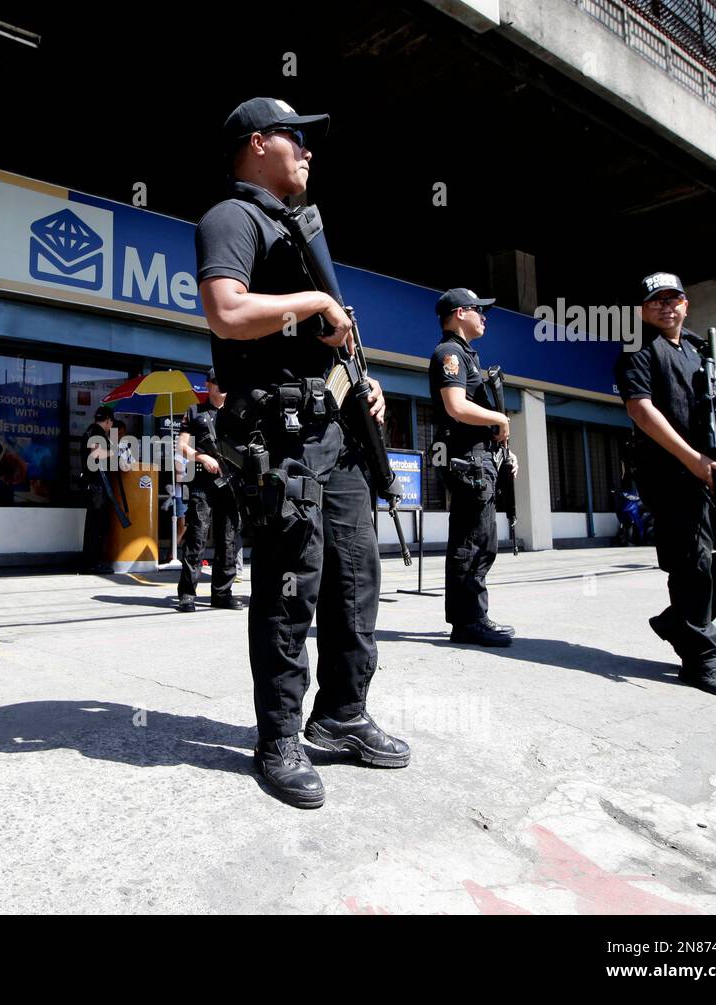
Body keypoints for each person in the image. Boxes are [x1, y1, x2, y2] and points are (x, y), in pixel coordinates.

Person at [196, 97, 410, 810]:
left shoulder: (301, 228)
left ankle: (342, 712)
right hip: (279, 437)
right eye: (297, 138)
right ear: (258, 143)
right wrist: (313, 303)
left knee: (355, 578)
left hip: (337, 431)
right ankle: (279, 735)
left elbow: (335, 343)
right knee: (291, 585)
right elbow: (226, 312)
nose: (309, 152)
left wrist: (365, 389)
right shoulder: (234, 218)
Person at [614, 272, 716, 700]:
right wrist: (691, 460)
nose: (666, 306)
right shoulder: (638, 349)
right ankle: (700, 659)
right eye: (656, 301)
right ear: (642, 309)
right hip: (673, 472)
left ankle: (679, 622)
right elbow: (641, 410)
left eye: (673, 298)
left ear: (686, 303)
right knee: (693, 563)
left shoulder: (701, 348)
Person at [429, 288, 519, 647]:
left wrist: (503, 449)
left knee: (483, 541)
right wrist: (500, 418)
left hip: (478, 456)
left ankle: (473, 616)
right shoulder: (449, 353)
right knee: (472, 541)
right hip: (465, 460)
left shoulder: (465, 354)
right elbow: (456, 406)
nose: (484, 316)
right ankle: (468, 622)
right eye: (478, 310)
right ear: (458, 313)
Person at [175, 368, 241, 612]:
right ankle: (188, 594)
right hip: (202, 482)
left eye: (224, 382)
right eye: (216, 382)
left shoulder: (239, 412)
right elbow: (182, 446)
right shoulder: (194, 411)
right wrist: (201, 457)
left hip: (231, 482)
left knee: (228, 539)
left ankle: (222, 593)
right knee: (197, 536)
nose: (220, 387)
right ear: (208, 384)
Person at [79, 406, 114, 574]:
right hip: (97, 486)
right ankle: (92, 563)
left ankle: (91, 562)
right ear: (108, 421)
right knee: (97, 525)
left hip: (93, 484)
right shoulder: (97, 432)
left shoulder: (91, 430)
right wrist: (114, 453)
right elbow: (95, 453)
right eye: (110, 423)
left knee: (95, 524)